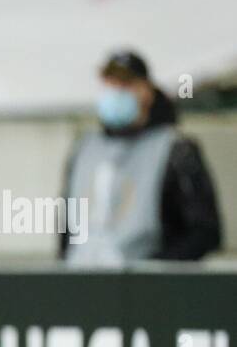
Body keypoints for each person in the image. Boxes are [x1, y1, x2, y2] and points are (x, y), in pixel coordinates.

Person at [60, 50, 222, 264]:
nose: (115, 92)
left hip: (144, 290)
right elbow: (66, 228)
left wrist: (154, 271)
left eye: (125, 84)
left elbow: (204, 232)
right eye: (110, 84)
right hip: (83, 282)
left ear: (146, 91)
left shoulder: (175, 150)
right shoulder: (85, 149)